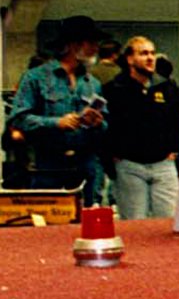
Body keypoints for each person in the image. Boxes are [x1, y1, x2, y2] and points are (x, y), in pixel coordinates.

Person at [10, 15, 110, 203]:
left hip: (86, 168)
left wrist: (97, 123)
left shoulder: (93, 83)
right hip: (48, 166)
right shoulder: (35, 78)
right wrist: (56, 123)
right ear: (74, 45)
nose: (96, 48)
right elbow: (18, 118)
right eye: (91, 43)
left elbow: (105, 127)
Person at [102, 36, 179, 220]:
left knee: (168, 222)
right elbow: (106, 127)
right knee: (135, 224)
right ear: (130, 59)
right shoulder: (113, 89)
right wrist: (112, 157)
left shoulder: (166, 87)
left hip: (163, 164)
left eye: (152, 53)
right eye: (143, 53)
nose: (150, 58)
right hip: (129, 166)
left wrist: (175, 150)